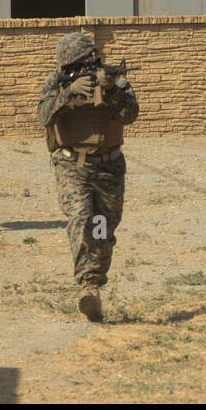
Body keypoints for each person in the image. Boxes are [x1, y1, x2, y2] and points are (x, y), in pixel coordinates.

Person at [36, 31, 139, 322]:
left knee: (103, 229)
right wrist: (69, 94)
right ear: (69, 65)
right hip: (72, 165)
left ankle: (96, 277)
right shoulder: (57, 81)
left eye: (92, 59)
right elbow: (43, 116)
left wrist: (113, 91)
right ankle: (88, 285)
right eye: (83, 62)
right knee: (81, 219)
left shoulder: (114, 80)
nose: (90, 65)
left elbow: (131, 114)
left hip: (109, 166)